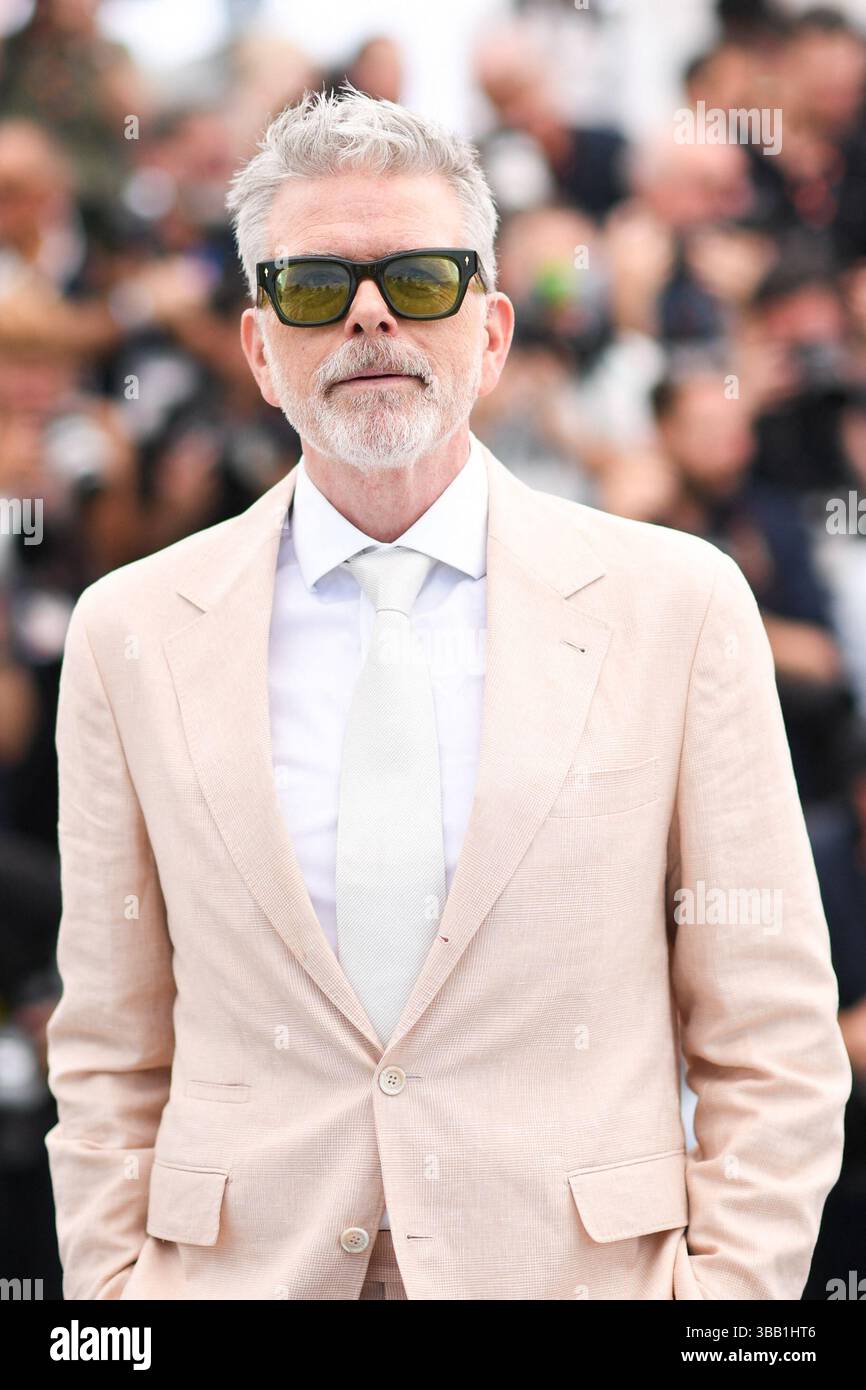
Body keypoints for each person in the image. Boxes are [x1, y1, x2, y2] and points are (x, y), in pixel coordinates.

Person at [44, 84, 851, 1302]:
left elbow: (769, 1034)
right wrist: (115, 1296)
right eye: (315, 287)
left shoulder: (676, 604)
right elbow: (108, 1039)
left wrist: (722, 1308)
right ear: (260, 350)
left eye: (420, 280)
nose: (370, 315)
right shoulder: (130, 631)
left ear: (493, 330)